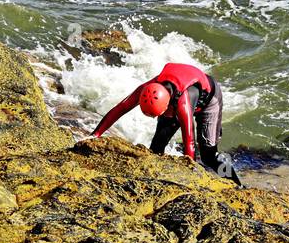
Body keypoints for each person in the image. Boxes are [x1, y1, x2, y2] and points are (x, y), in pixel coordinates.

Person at [90, 62, 231, 176]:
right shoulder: (146, 89)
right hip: (177, 94)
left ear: (167, 104)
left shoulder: (183, 104)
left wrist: (191, 174)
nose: (159, 117)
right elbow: (120, 108)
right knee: (156, 148)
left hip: (209, 100)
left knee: (208, 157)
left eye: (160, 114)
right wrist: (94, 135)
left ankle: (235, 182)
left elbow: (189, 142)